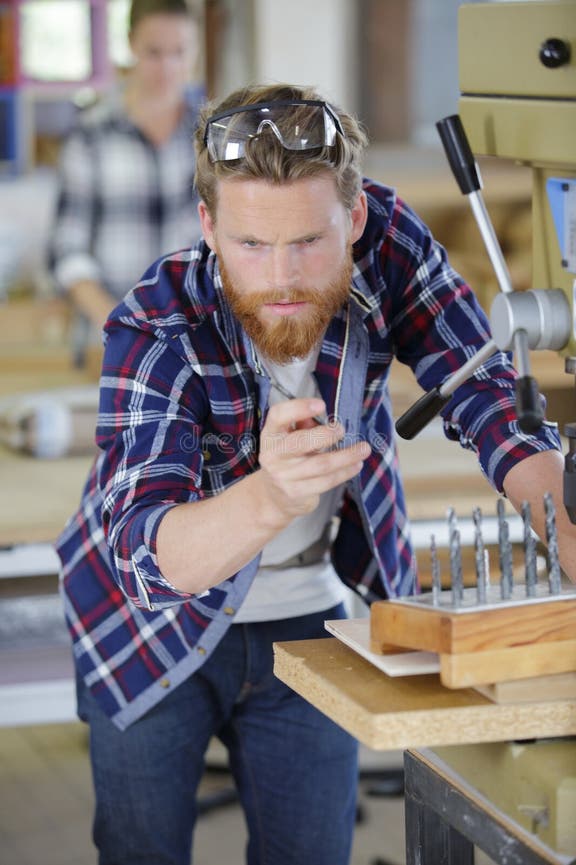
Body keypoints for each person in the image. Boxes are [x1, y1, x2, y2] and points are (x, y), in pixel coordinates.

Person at [55, 82, 576, 865]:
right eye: (251, 246)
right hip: (144, 631)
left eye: (308, 241)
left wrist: (560, 515)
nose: (281, 278)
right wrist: (270, 493)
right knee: (140, 850)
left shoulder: (390, 242)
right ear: (208, 225)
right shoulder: (157, 322)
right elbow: (147, 558)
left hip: (314, 611)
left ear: (355, 216)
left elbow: (484, 391)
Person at [48, 0, 203, 356]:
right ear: (131, 44)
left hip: (196, 342)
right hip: (110, 343)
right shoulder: (91, 134)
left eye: (180, 52)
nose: (168, 67)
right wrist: (120, 326)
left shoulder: (211, 137)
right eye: (154, 52)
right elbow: (67, 252)